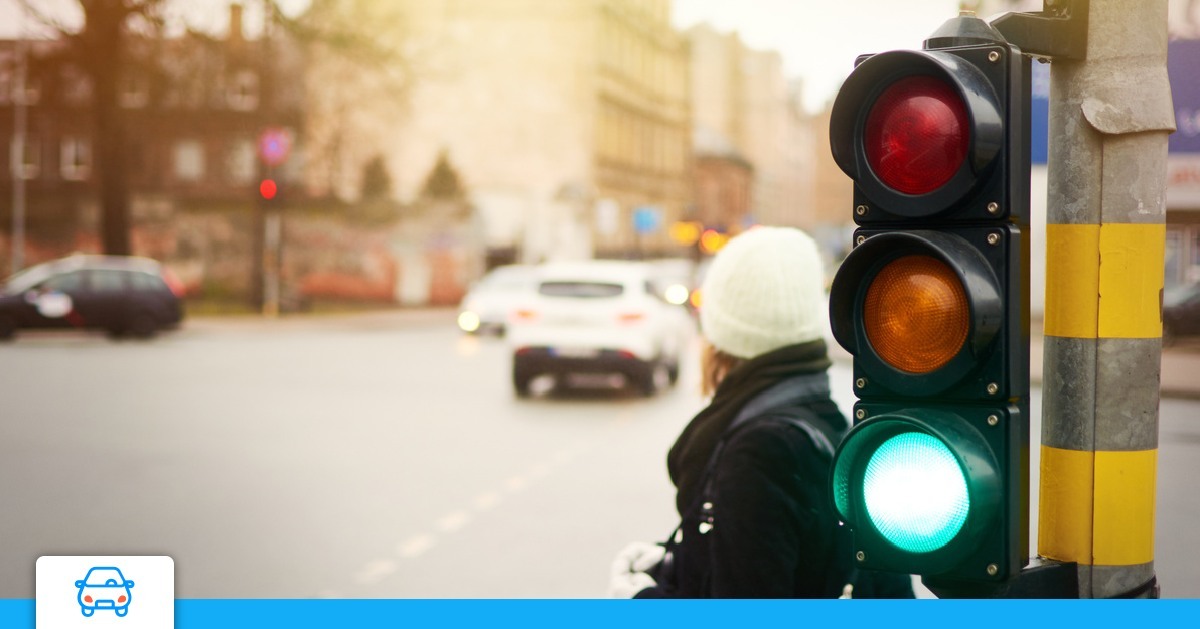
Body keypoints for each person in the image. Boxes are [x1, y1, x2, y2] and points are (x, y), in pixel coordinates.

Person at [608, 226, 913, 599]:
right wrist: (679, 561)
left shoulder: (761, 452)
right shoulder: (822, 419)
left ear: (724, 333)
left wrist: (641, 602)